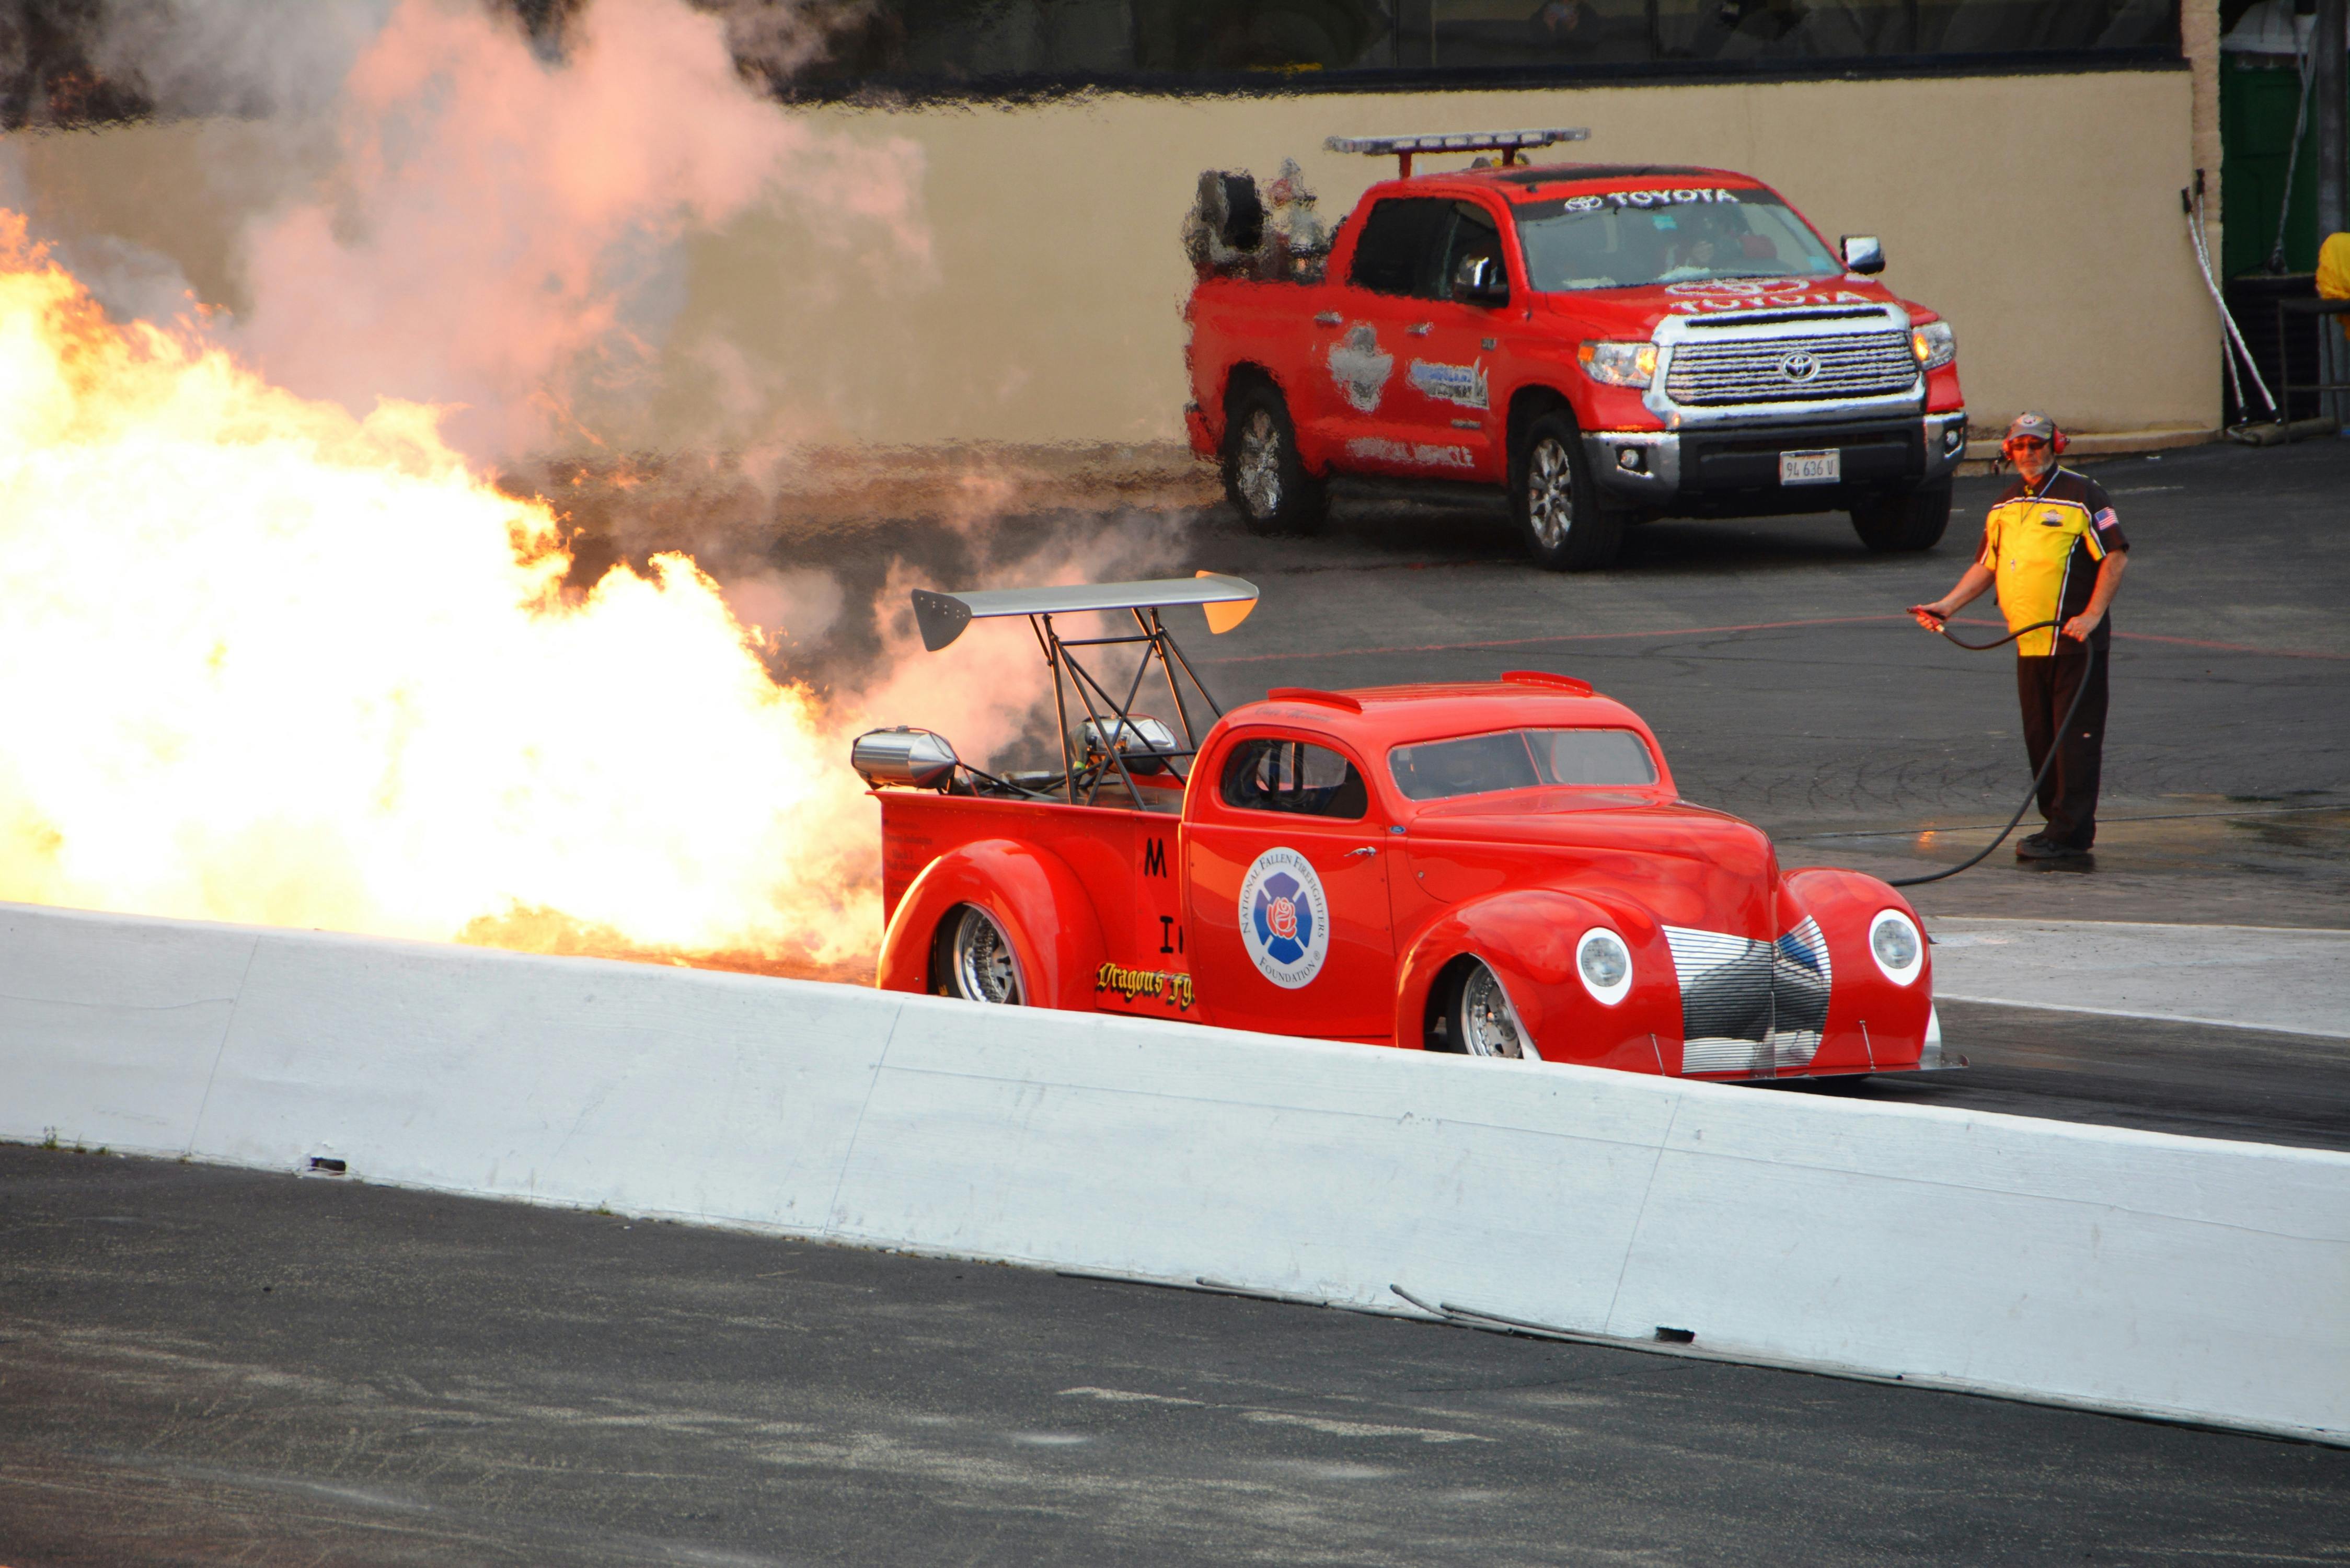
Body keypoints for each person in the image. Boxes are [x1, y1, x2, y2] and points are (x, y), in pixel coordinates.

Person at [1909, 412, 2130, 862]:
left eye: (2037, 445)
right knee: (2041, 739)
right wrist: (1947, 606)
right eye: (2020, 446)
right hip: (2028, 644)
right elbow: (1987, 566)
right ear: (2008, 452)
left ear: (2056, 446)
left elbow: (2116, 556)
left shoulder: (2084, 494)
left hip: (2075, 644)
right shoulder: (2004, 505)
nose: (2029, 453)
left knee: (2075, 741)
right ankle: (2055, 825)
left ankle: (2071, 834)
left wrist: (2092, 615)